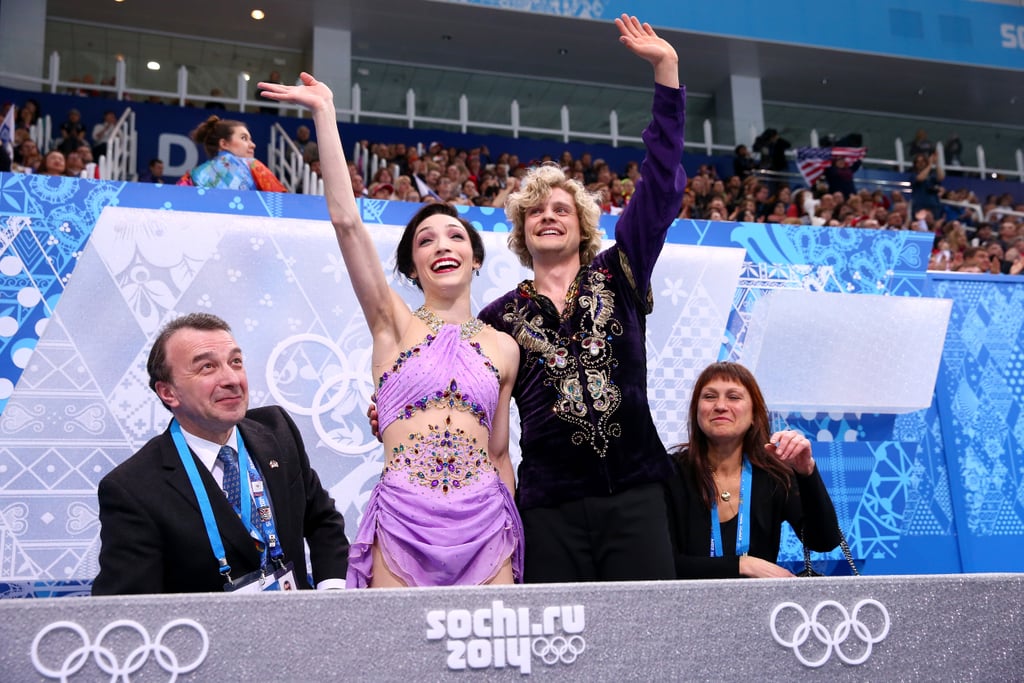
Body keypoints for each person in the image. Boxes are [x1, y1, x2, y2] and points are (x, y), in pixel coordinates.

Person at [260, 73, 524, 589]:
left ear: (475, 259)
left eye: (454, 236)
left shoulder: (504, 346)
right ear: (412, 266)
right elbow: (346, 223)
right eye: (426, 240)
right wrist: (324, 114)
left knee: (495, 662)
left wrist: (511, 523)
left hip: (487, 523)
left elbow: (498, 452)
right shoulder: (391, 323)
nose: (442, 245)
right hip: (404, 519)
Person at [476, 14, 687, 583]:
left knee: (649, 642)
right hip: (550, 507)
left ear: (583, 227)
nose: (548, 215)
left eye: (560, 209)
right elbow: (463, 397)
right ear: (521, 233)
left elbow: (662, 186)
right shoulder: (495, 318)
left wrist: (666, 73)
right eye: (535, 212)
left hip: (638, 492)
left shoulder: (621, 268)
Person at [92, 313, 350, 594]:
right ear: (168, 393)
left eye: (235, 362)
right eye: (207, 367)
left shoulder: (277, 431)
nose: (231, 379)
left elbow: (322, 520)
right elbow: (126, 606)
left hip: (303, 627)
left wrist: (333, 594)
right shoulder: (133, 488)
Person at [664, 362, 841, 579]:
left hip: (761, 608)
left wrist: (807, 472)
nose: (720, 405)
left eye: (733, 397)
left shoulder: (774, 473)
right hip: (684, 608)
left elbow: (824, 541)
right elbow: (663, 564)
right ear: (696, 411)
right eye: (710, 397)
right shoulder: (668, 473)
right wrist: (742, 565)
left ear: (754, 413)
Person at [177, 116, 286, 192]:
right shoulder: (253, 166)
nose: (253, 145)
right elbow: (282, 204)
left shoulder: (192, 177)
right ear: (224, 144)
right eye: (244, 138)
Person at [910, 152, 945, 221]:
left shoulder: (931, 175)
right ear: (915, 164)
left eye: (923, 161)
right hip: (920, 206)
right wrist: (930, 165)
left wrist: (936, 163)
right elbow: (920, 178)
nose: (921, 163)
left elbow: (941, 177)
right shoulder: (913, 175)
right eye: (918, 162)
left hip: (934, 205)